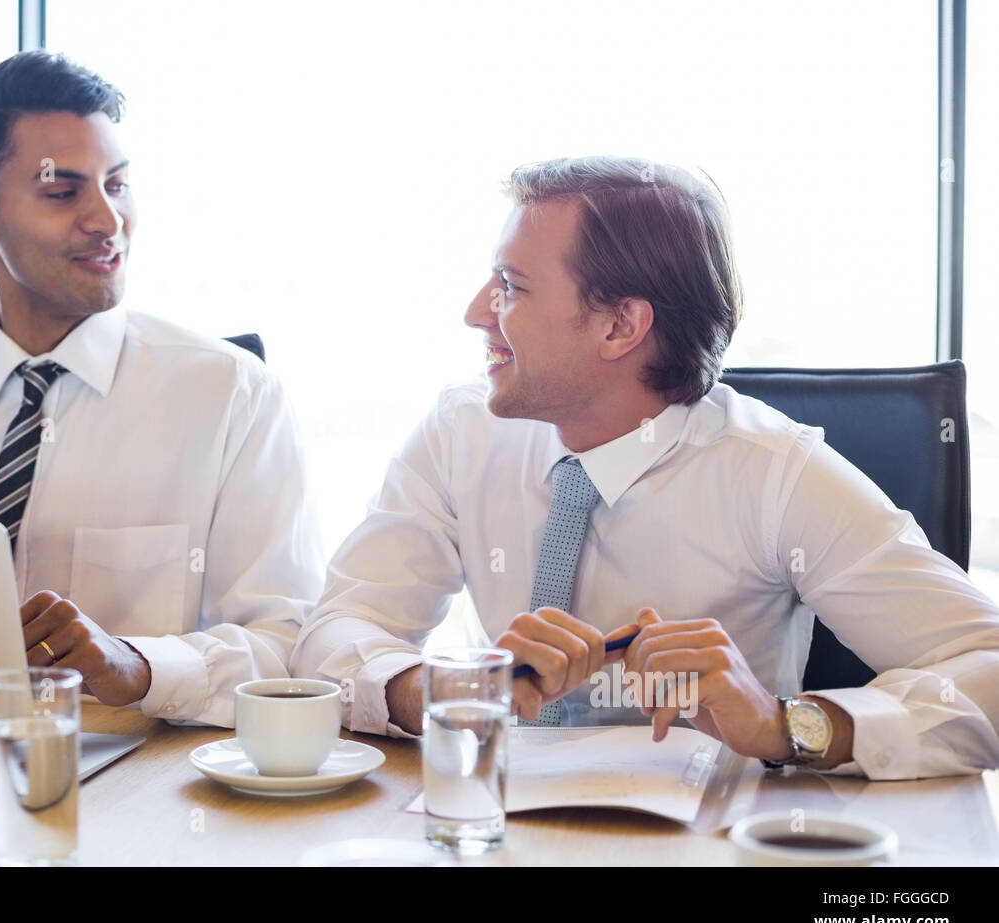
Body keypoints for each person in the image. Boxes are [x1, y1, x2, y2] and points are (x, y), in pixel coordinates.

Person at [292, 155, 999, 779]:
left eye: (512, 285)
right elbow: (334, 633)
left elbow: (987, 665)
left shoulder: (777, 473)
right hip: (488, 829)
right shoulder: (460, 434)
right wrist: (448, 688)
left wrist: (789, 724)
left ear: (620, 326)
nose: (477, 311)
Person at [0, 51, 323, 727]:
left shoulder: (232, 397)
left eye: (118, 185)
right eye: (63, 191)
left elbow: (289, 644)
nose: (107, 220)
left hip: (135, 790)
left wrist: (137, 663)